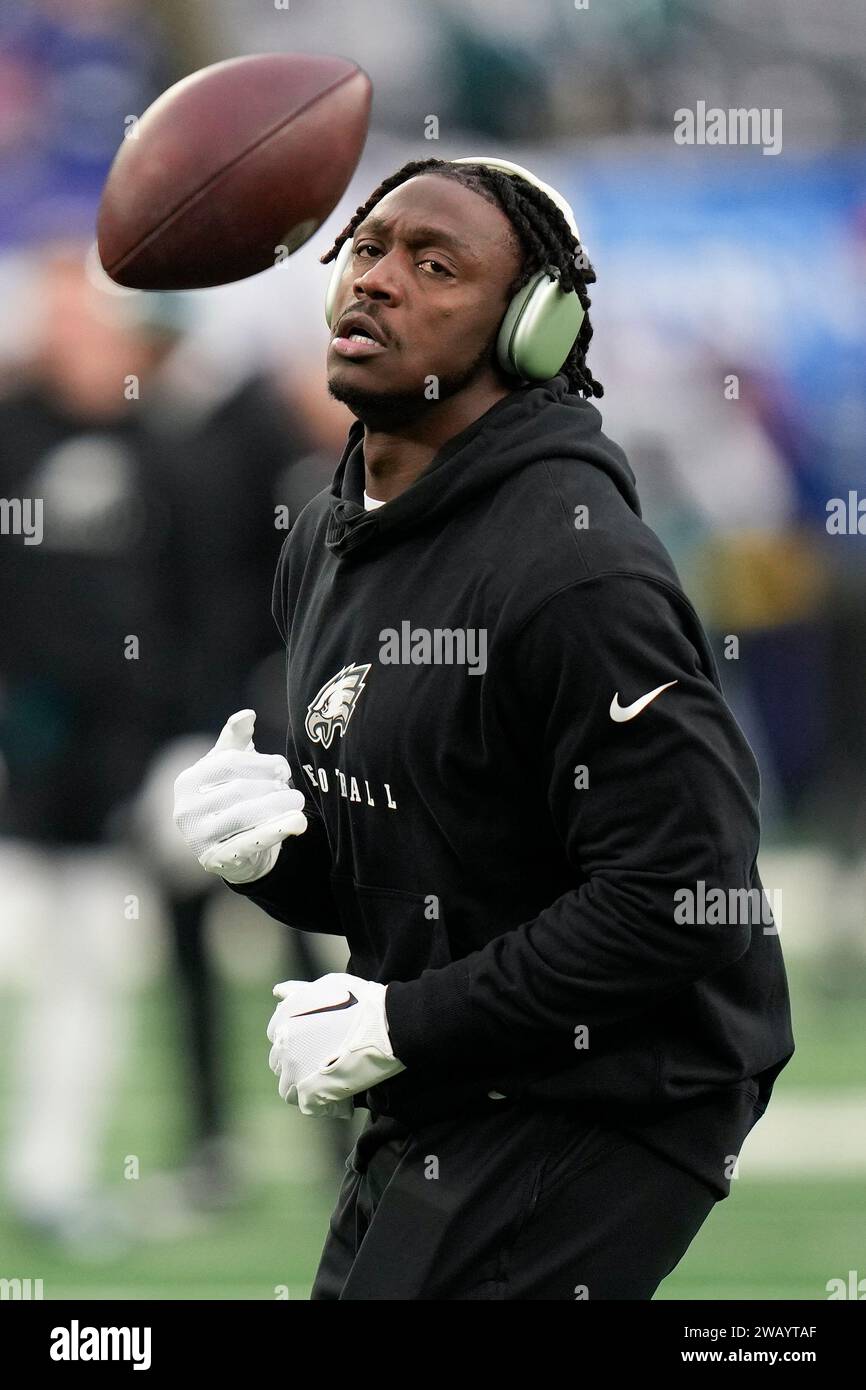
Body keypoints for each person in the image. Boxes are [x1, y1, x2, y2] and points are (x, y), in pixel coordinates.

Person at [173, 156, 795, 1300]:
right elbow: (427, 865)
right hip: (459, 1075)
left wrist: (406, 1021)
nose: (377, 280)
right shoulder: (327, 534)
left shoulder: (574, 570)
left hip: (612, 1091)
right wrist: (274, 862)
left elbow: (680, 896)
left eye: (435, 265)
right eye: (367, 249)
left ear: (531, 327)